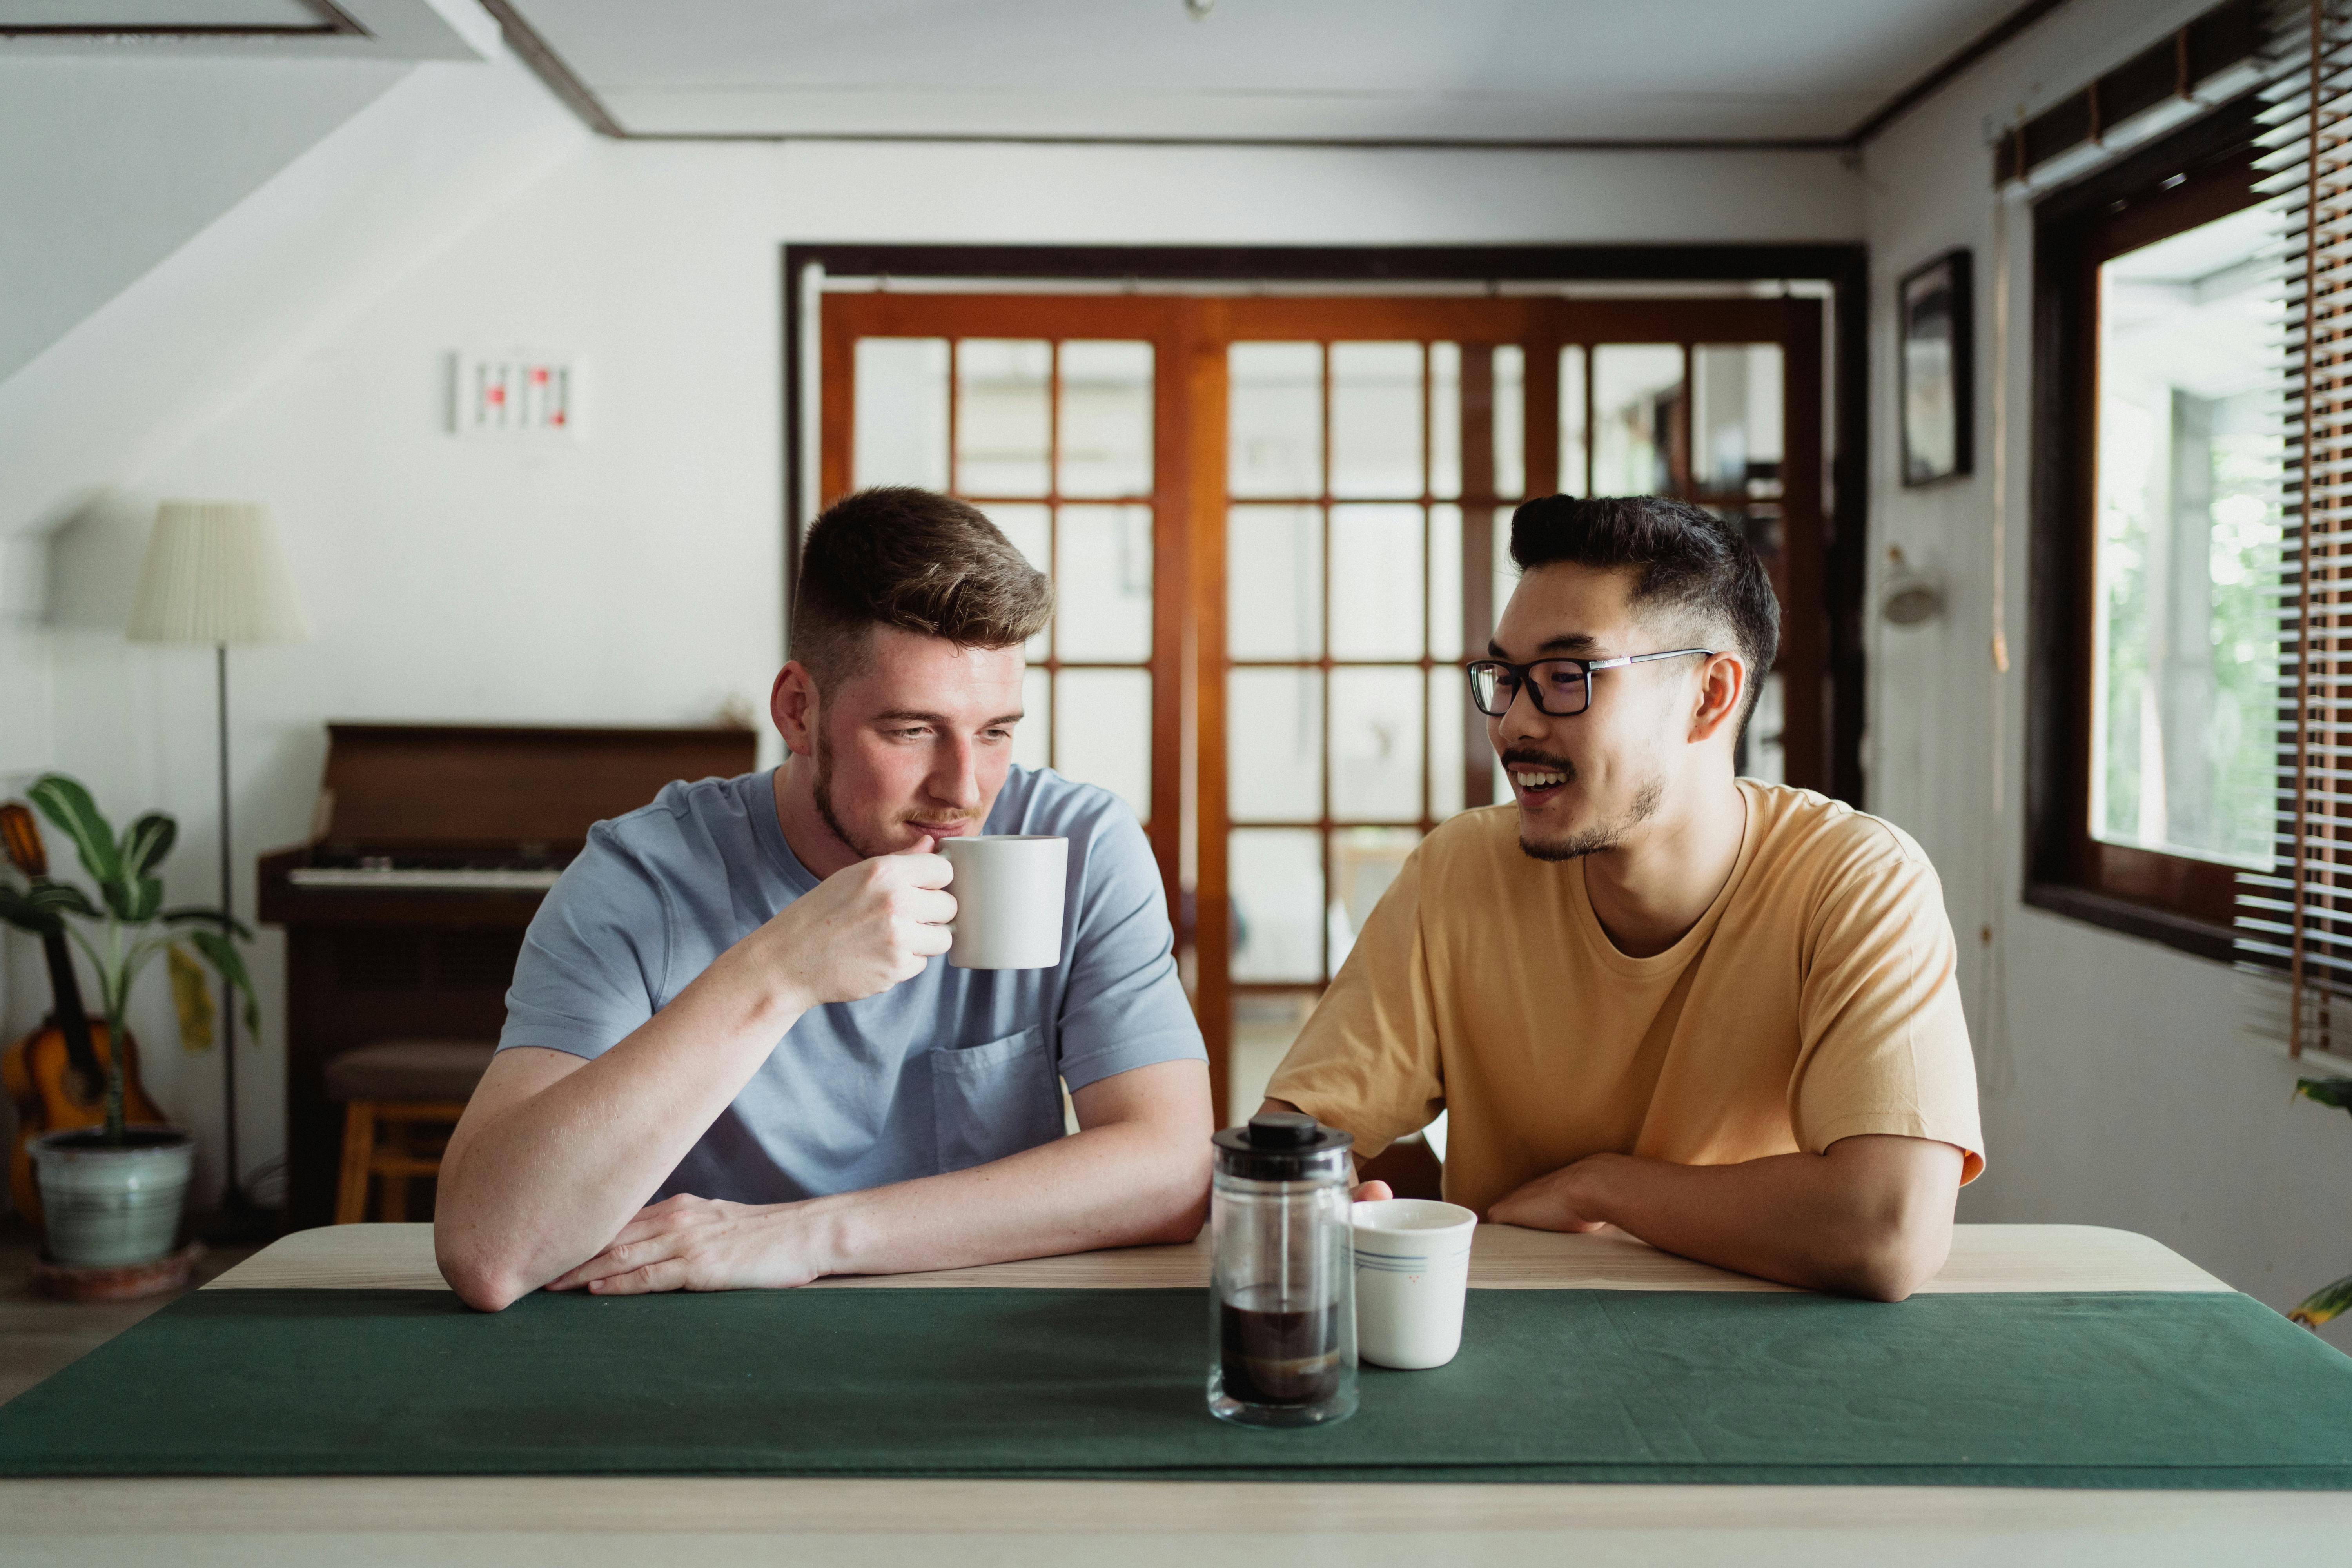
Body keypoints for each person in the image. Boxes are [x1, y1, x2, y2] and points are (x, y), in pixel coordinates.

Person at [435, 488, 1213, 1312]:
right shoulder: (645, 875)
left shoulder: (1078, 844)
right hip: (704, 1341)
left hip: (985, 1328)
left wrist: (813, 1234)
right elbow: (493, 1250)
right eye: (911, 730)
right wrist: (778, 971)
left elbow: (1172, 1169)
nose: (964, 789)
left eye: (995, 732)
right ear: (798, 711)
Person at [1261, 495, 1982, 1302]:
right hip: (1514, 1338)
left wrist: (1603, 1186)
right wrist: (1341, 1199)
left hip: (1762, 1349)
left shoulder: (1857, 881)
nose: (1512, 723)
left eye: (1567, 676)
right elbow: (1294, 1136)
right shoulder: (1463, 869)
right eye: (1505, 677)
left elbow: (1890, 1229)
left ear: (1711, 696)